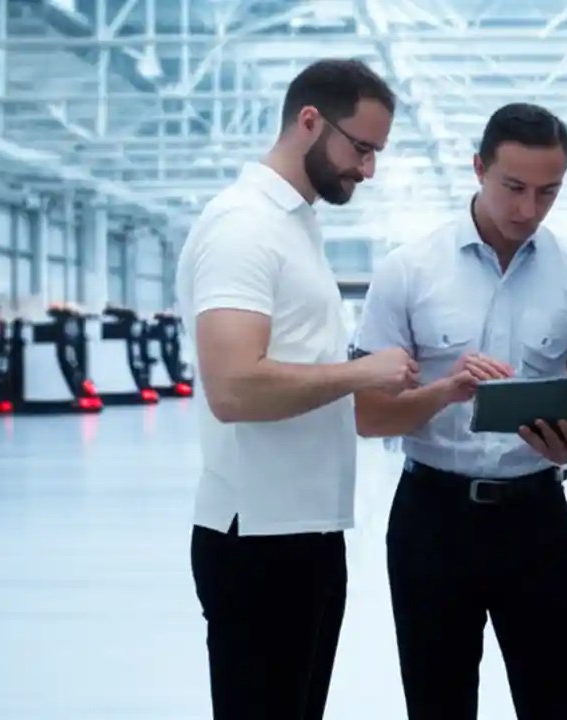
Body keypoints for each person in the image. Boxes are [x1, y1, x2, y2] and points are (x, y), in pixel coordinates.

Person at [351, 102, 567, 720]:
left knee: (564, 700)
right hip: (432, 521)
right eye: (514, 188)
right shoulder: (408, 270)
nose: (529, 210)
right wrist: (445, 390)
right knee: (437, 701)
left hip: (537, 519)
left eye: (548, 192)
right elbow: (368, 416)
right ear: (478, 168)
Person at [175, 58, 419, 720]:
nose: (368, 170)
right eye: (361, 147)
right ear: (309, 121)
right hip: (257, 540)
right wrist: (360, 371)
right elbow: (233, 387)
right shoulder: (243, 226)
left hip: (303, 531)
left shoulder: (293, 223)